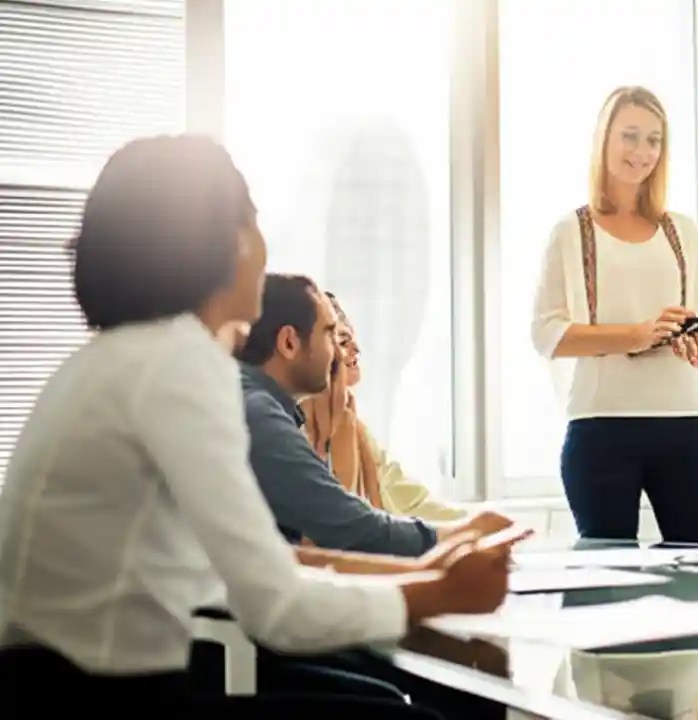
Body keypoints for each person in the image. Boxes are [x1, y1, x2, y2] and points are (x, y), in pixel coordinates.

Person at [0, 134, 518, 714]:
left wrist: (422, 577)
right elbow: (274, 603)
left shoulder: (110, 361)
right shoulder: (179, 363)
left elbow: (257, 565)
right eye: (251, 221)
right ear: (215, 244)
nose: (264, 247)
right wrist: (439, 591)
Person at [531, 86, 698, 544]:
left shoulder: (683, 231)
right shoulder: (571, 231)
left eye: (654, 140)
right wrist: (635, 336)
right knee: (606, 573)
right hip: (601, 426)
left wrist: (697, 340)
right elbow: (546, 334)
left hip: (685, 423)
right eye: (630, 136)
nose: (642, 152)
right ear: (605, 138)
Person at [236, 274, 505, 555]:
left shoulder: (269, 408)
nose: (340, 353)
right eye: (330, 334)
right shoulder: (260, 417)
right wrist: (463, 534)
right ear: (289, 342)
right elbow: (350, 527)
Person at [299, 291, 466, 523]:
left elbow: (406, 495)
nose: (356, 349)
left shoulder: (352, 421)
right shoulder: (298, 425)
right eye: (343, 342)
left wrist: (472, 524)